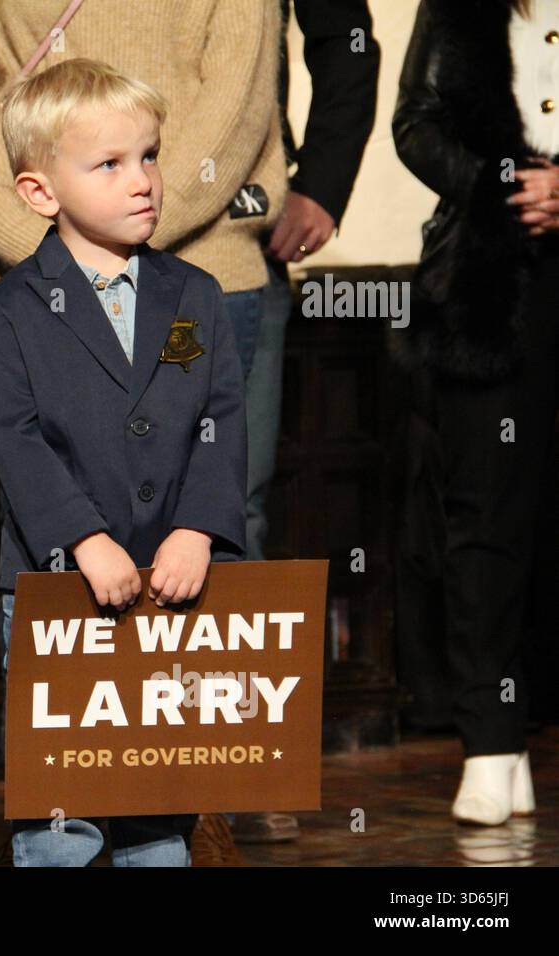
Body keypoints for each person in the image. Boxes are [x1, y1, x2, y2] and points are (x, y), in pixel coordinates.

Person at [0, 58, 248, 866]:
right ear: (39, 192)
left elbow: (218, 419)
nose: (144, 182)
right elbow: (17, 441)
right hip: (55, 591)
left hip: (171, 586)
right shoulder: (7, 314)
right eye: (110, 164)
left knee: (155, 799)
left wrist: (197, 528)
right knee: (65, 808)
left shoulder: (194, 297)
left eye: (151, 155)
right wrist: (84, 539)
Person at [0, 0, 285, 390]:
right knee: (26, 447)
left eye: (150, 157)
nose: (141, 181)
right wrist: (59, 255)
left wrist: (105, 240)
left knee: (205, 446)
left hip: (196, 265)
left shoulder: (196, 286)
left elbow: (236, 100)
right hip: (9, 273)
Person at [392, 0, 559, 826]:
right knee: (485, 518)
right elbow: (415, 125)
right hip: (491, 289)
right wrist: (505, 188)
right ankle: (492, 743)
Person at [236, 0, 379, 845]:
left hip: (237, 246)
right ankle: (81, 776)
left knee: (236, 503)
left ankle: (245, 767)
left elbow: (347, 41)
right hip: (77, 235)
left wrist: (320, 182)